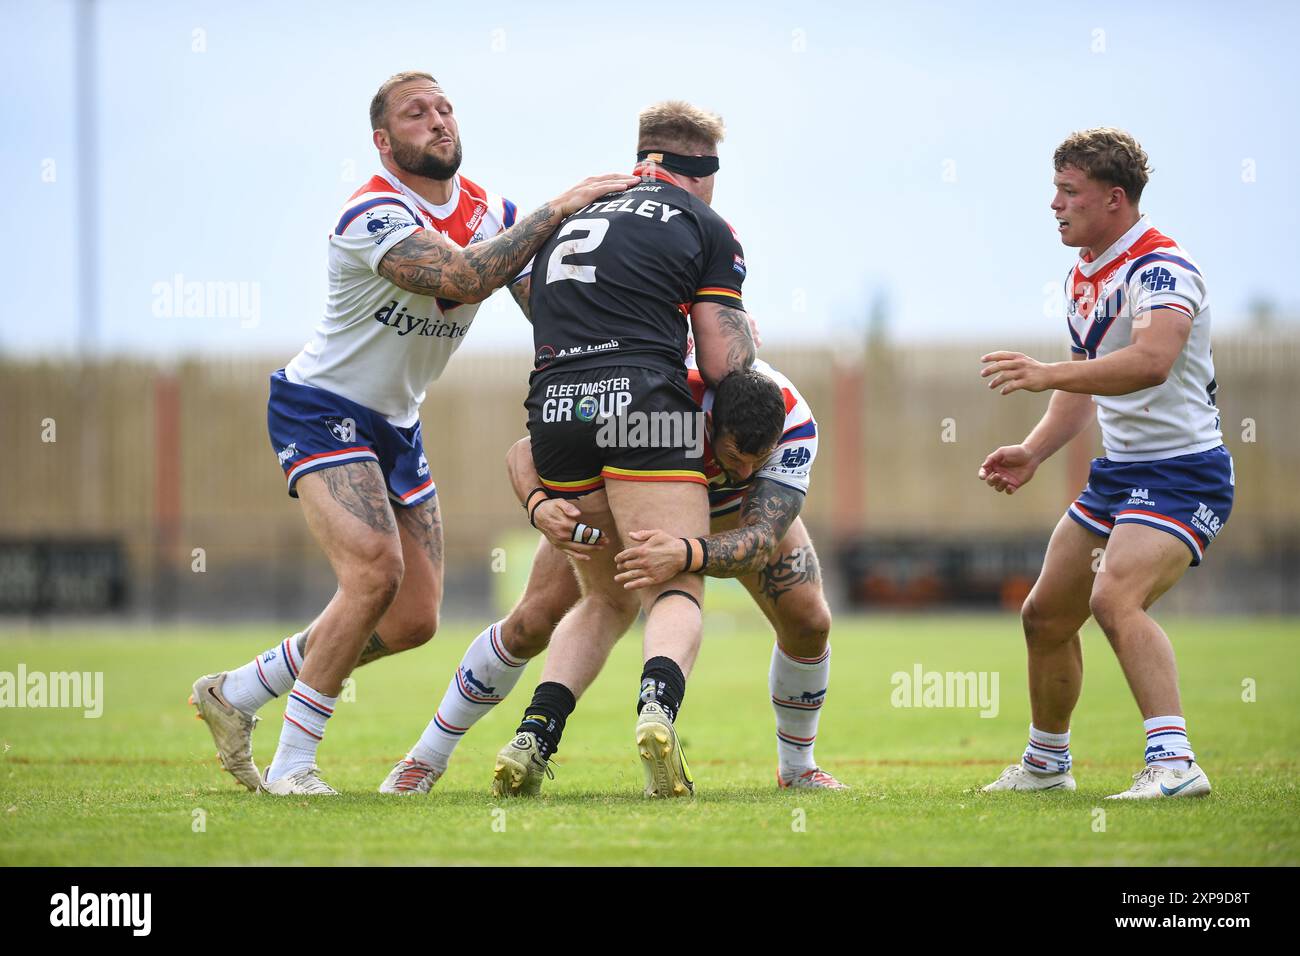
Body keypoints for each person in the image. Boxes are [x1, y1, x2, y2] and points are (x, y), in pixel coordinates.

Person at [189, 70, 635, 795]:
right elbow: (463, 278)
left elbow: (545, 301)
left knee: (411, 620)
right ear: (384, 140)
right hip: (321, 404)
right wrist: (559, 207)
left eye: (446, 108)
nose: (438, 121)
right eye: (417, 113)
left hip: (395, 423)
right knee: (372, 573)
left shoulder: (491, 208)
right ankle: (293, 765)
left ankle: (238, 692)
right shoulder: (370, 213)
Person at [380, 357, 847, 795]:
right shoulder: (662, 395)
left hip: (735, 519)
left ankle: (797, 768)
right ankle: (424, 758)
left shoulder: (796, 426)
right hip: (635, 503)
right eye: (733, 456)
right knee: (531, 622)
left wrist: (683, 552)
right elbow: (524, 452)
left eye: (756, 461)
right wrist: (539, 505)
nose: (744, 470)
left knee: (810, 621)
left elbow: (761, 539)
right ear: (709, 420)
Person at [484, 100, 755, 798]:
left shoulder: (573, 213)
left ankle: (533, 738)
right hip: (644, 409)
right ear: (698, 172)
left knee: (603, 598)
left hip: (555, 415)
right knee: (671, 584)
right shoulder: (705, 224)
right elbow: (725, 366)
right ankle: (657, 711)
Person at [978, 128, 1230, 800]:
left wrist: (1044, 372)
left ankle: (1175, 765)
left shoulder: (1160, 269)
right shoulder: (1084, 273)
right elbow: (1088, 383)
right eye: (1056, 190)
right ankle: (1047, 764)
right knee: (1045, 615)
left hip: (1183, 472)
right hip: (1121, 474)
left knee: (1114, 597)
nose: (1054, 204)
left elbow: (1151, 361)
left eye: (1069, 192)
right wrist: (1033, 450)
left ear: (1114, 199)